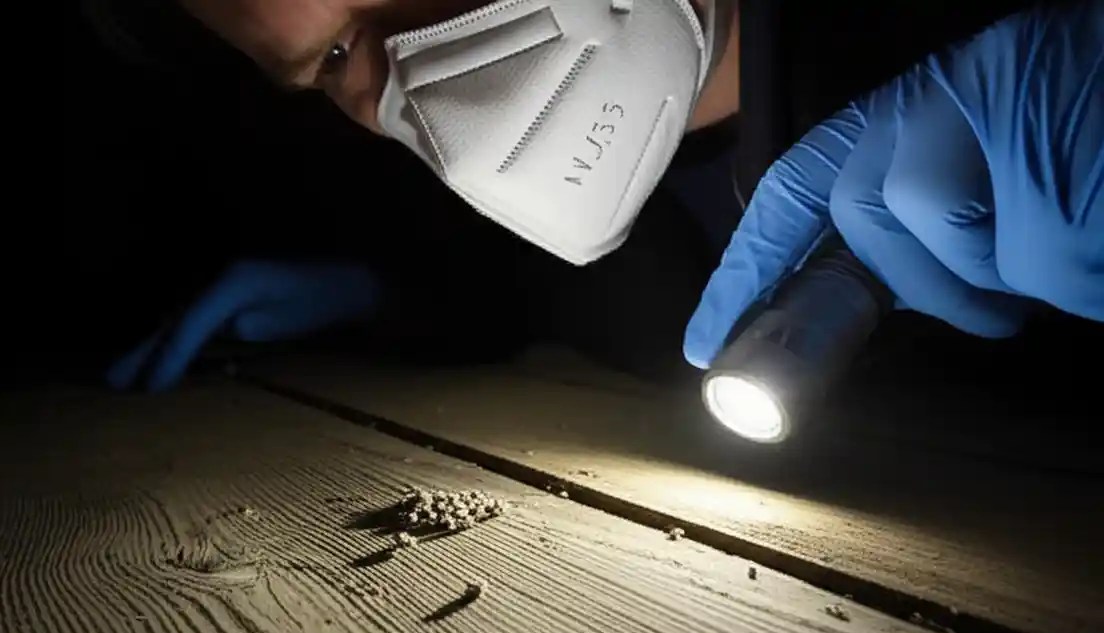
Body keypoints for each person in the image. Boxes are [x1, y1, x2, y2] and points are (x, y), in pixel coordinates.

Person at [95, 0, 1102, 392]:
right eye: (338, 55)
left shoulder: (1013, 62)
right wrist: (375, 292)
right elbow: (520, 292)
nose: (436, 46)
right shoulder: (601, 276)